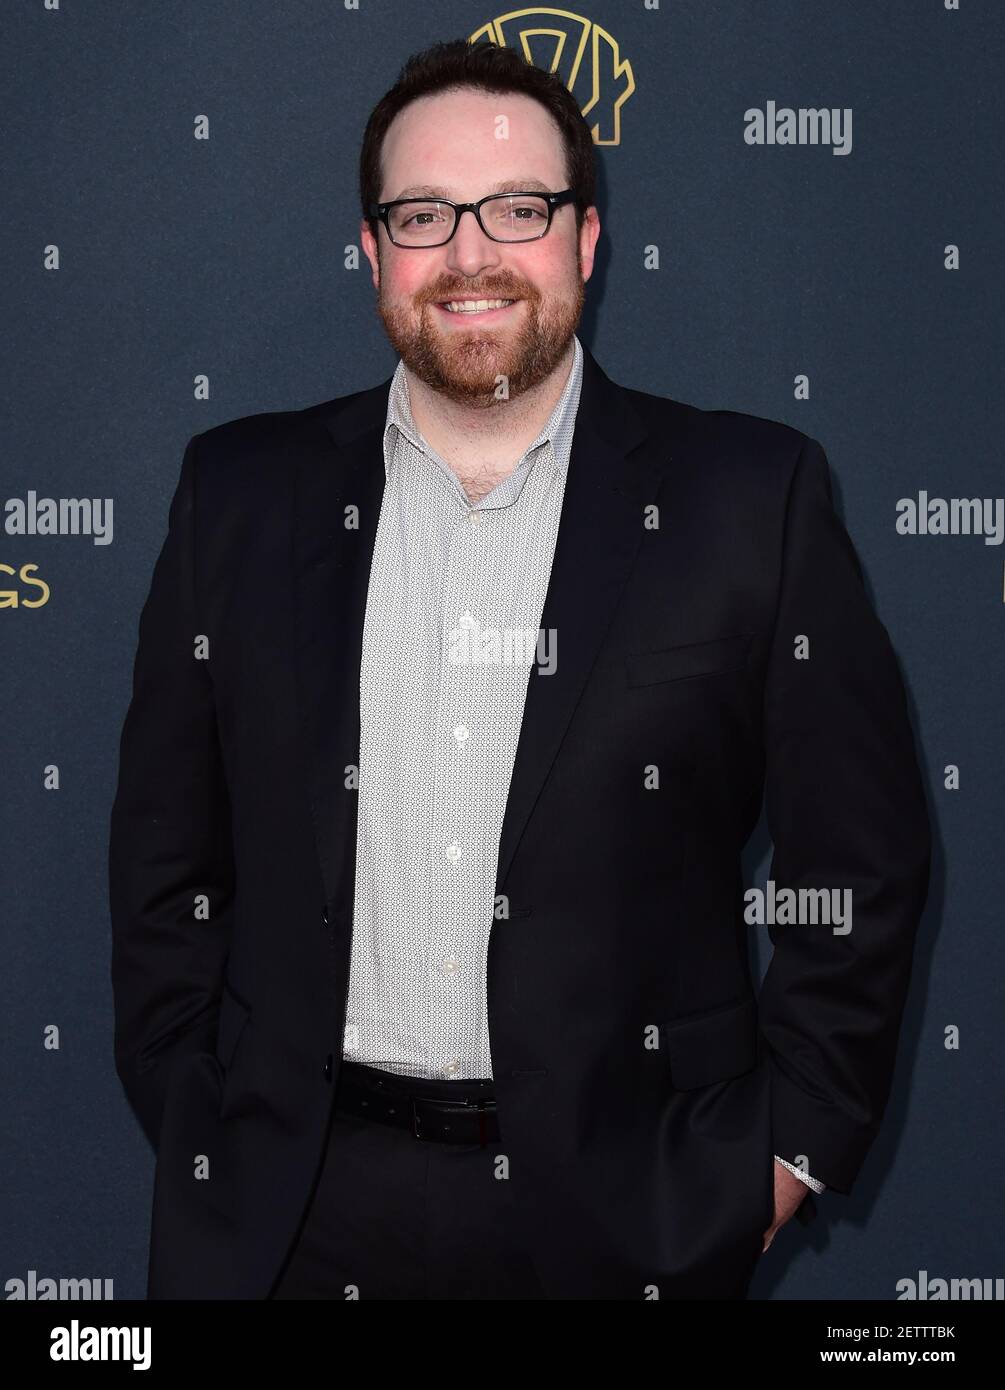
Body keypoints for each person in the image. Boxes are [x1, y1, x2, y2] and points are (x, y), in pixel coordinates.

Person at [109, 38, 931, 1300]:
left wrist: (778, 1159)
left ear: (585, 241)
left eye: (518, 209)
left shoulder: (748, 501)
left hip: (622, 1219)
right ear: (373, 251)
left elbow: (859, 867)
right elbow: (164, 863)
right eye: (424, 214)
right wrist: (196, 1110)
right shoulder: (238, 497)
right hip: (285, 1219)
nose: (470, 253)